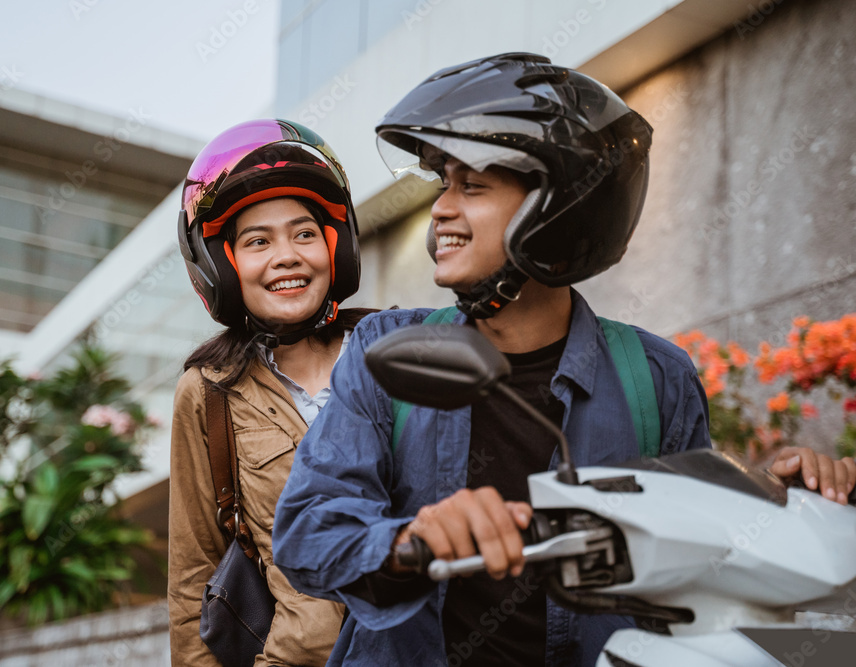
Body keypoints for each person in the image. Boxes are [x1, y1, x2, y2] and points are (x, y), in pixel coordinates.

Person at [271, 53, 856, 667]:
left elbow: (699, 563)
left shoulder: (656, 379)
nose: (442, 208)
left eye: (471, 186)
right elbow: (312, 534)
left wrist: (787, 508)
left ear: (558, 208)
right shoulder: (385, 349)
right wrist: (411, 541)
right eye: (443, 182)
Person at [168, 119, 374, 666]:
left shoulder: (395, 352)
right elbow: (193, 578)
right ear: (223, 263)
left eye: (304, 233)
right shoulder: (208, 392)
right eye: (258, 241)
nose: (287, 256)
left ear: (336, 245)